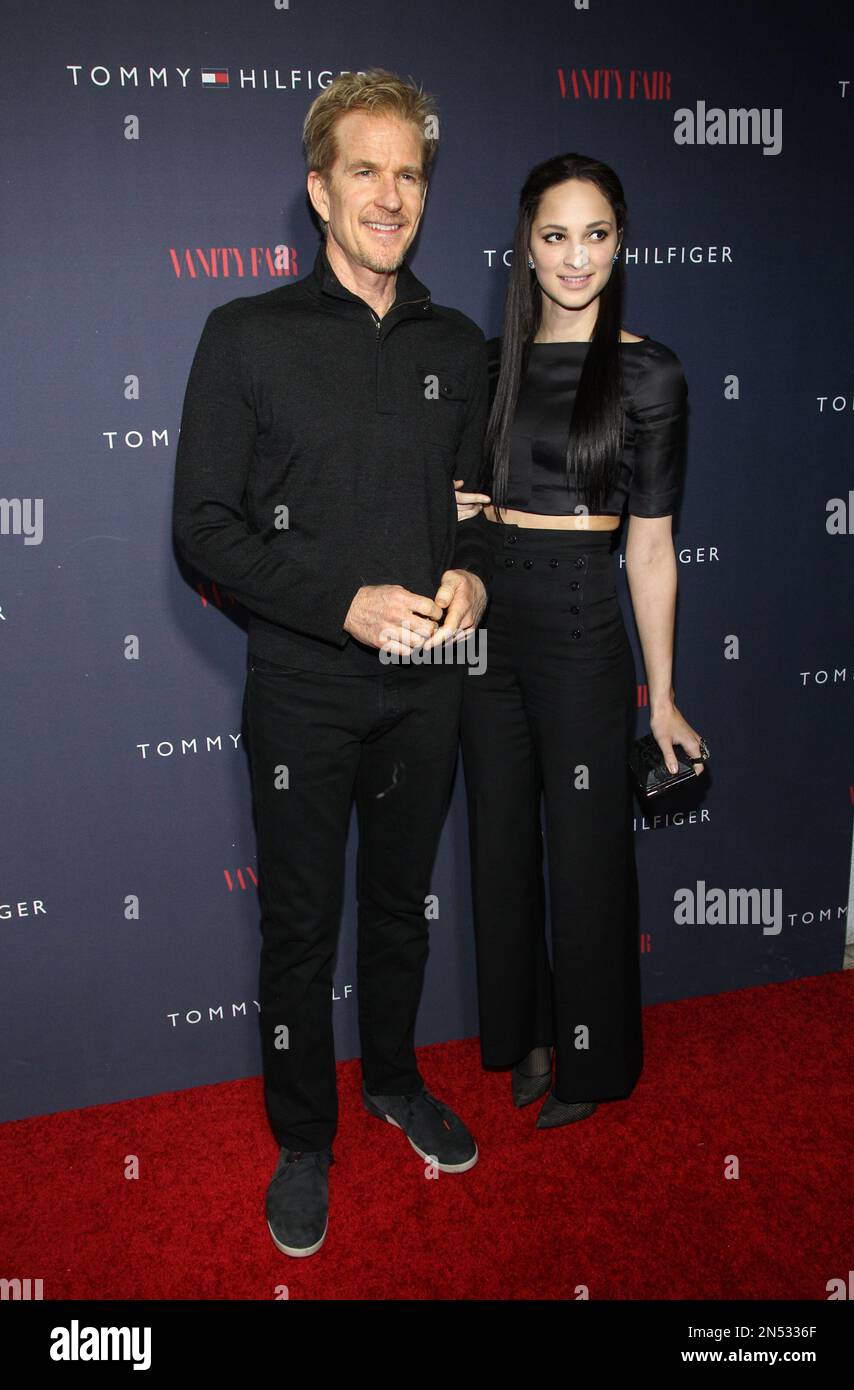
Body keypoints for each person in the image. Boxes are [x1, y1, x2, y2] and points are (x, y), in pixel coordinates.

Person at [171, 70, 490, 1258]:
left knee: (399, 911)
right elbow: (202, 525)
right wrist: (340, 606)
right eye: (365, 168)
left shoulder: (457, 342)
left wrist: (470, 571)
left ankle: (396, 1083)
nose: (389, 194)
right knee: (300, 925)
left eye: (409, 173)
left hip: (428, 686)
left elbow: (474, 506)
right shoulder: (245, 334)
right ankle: (304, 1138)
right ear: (318, 189)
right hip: (302, 687)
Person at [459, 152, 705, 1129]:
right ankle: (523, 1030)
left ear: (618, 240)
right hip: (487, 629)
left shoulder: (648, 372)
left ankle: (589, 1057)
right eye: (554, 235)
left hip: (576, 622)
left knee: (588, 849)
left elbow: (650, 549)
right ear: (524, 243)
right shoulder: (486, 366)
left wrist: (665, 693)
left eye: (594, 234)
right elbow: (462, 505)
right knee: (499, 838)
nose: (574, 257)